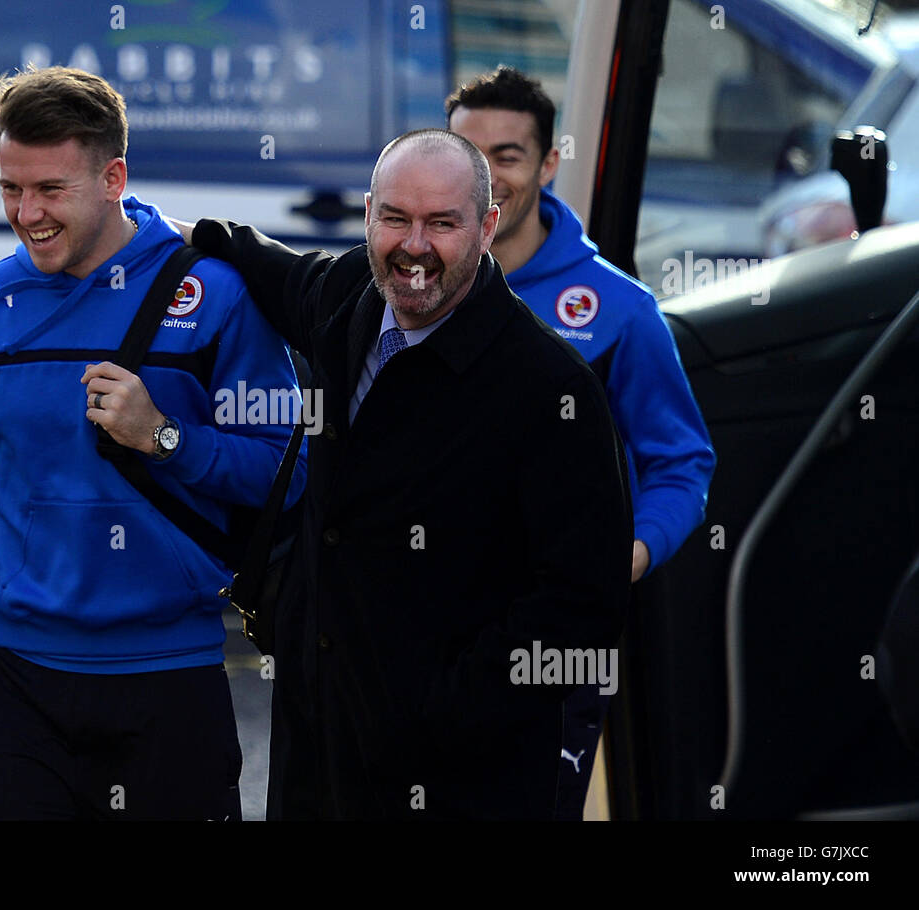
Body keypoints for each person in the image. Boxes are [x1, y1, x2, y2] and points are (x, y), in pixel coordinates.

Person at [0, 66, 302, 820]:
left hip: (171, 676)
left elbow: (286, 476)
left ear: (113, 177)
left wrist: (165, 437)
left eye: (51, 190)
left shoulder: (213, 296)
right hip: (14, 677)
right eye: (12, 189)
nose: (27, 214)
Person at [172, 129, 633, 819]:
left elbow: (580, 603)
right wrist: (138, 227)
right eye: (395, 218)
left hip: (462, 785)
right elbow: (266, 263)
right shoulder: (348, 293)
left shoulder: (549, 390)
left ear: (487, 227)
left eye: (442, 223)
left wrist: (439, 712)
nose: (414, 246)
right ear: (367, 216)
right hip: (316, 757)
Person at [447, 65, 716, 819]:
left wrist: (633, 551)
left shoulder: (620, 311)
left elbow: (681, 462)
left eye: (509, 155)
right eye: (471, 155)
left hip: (556, 637)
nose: (489, 177)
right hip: (425, 627)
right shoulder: (404, 289)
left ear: (549, 163)